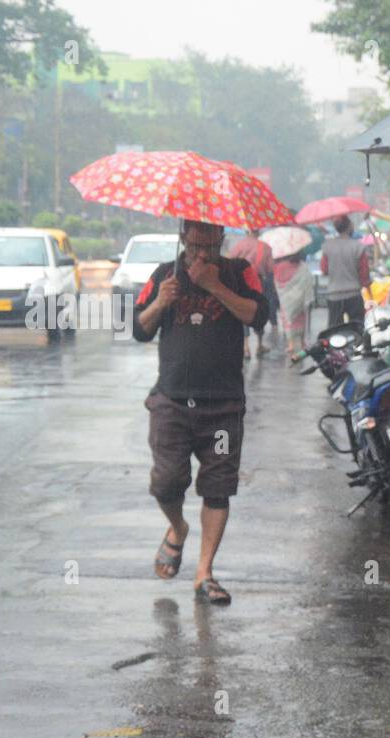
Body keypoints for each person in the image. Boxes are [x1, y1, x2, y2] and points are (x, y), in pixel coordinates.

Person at [133, 218, 270, 605]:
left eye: (210, 246)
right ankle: (177, 528)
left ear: (221, 242)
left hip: (223, 405)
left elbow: (257, 316)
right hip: (171, 401)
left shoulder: (239, 273)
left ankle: (204, 573)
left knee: (218, 486)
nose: (202, 254)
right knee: (166, 481)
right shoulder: (164, 275)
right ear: (183, 240)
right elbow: (139, 328)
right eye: (195, 246)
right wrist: (161, 301)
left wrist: (214, 285)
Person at [226, 230, 278, 358]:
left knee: (242, 311)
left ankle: (245, 346)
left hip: (240, 282)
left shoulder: (239, 245)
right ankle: (260, 345)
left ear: (247, 231)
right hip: (257, 282)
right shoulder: (265, 247)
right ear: (258, 231)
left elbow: (228, 261)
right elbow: (270, 268)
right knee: (259, 311)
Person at [319, 215, 370, 328]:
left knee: (334, 331)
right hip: (354, 295)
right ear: (349, 227)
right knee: (357, 329)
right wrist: (369, 292)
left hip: (334, 296)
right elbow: (364, 275)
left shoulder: (327, 246)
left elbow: (324, 269)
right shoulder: (358, 247)